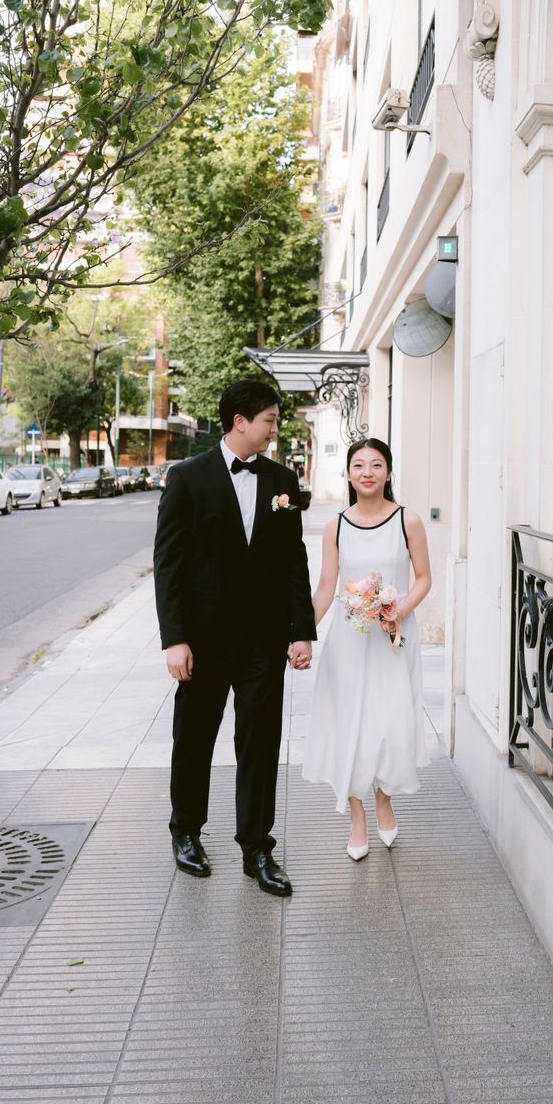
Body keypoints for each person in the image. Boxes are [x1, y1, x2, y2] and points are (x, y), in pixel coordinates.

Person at [153, 379, 316, 896]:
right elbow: (168, 565)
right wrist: (174, 639)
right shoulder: (186, 478)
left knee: (260, 742)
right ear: (240, 422)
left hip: (263, 643)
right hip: (201, 641)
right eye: (269, 420)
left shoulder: (282, 480)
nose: (274, 428)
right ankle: (186, 833)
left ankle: (257, 847)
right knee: (194, 738)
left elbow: (294, 562)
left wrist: (300, 632)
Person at [303, 437, 432, 860]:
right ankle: (357, 816)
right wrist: (302, 632)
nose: (368, 472)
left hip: (391, 641)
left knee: (390, 724)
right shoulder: (335, 526)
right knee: (352, 726)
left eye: (377, 465)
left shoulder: (407, 521)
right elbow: (326, 588)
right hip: (349, 643)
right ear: (349, 474)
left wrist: (398, 611)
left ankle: (384, 797)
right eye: (359, 465)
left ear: (389, 473)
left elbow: (423, 578)